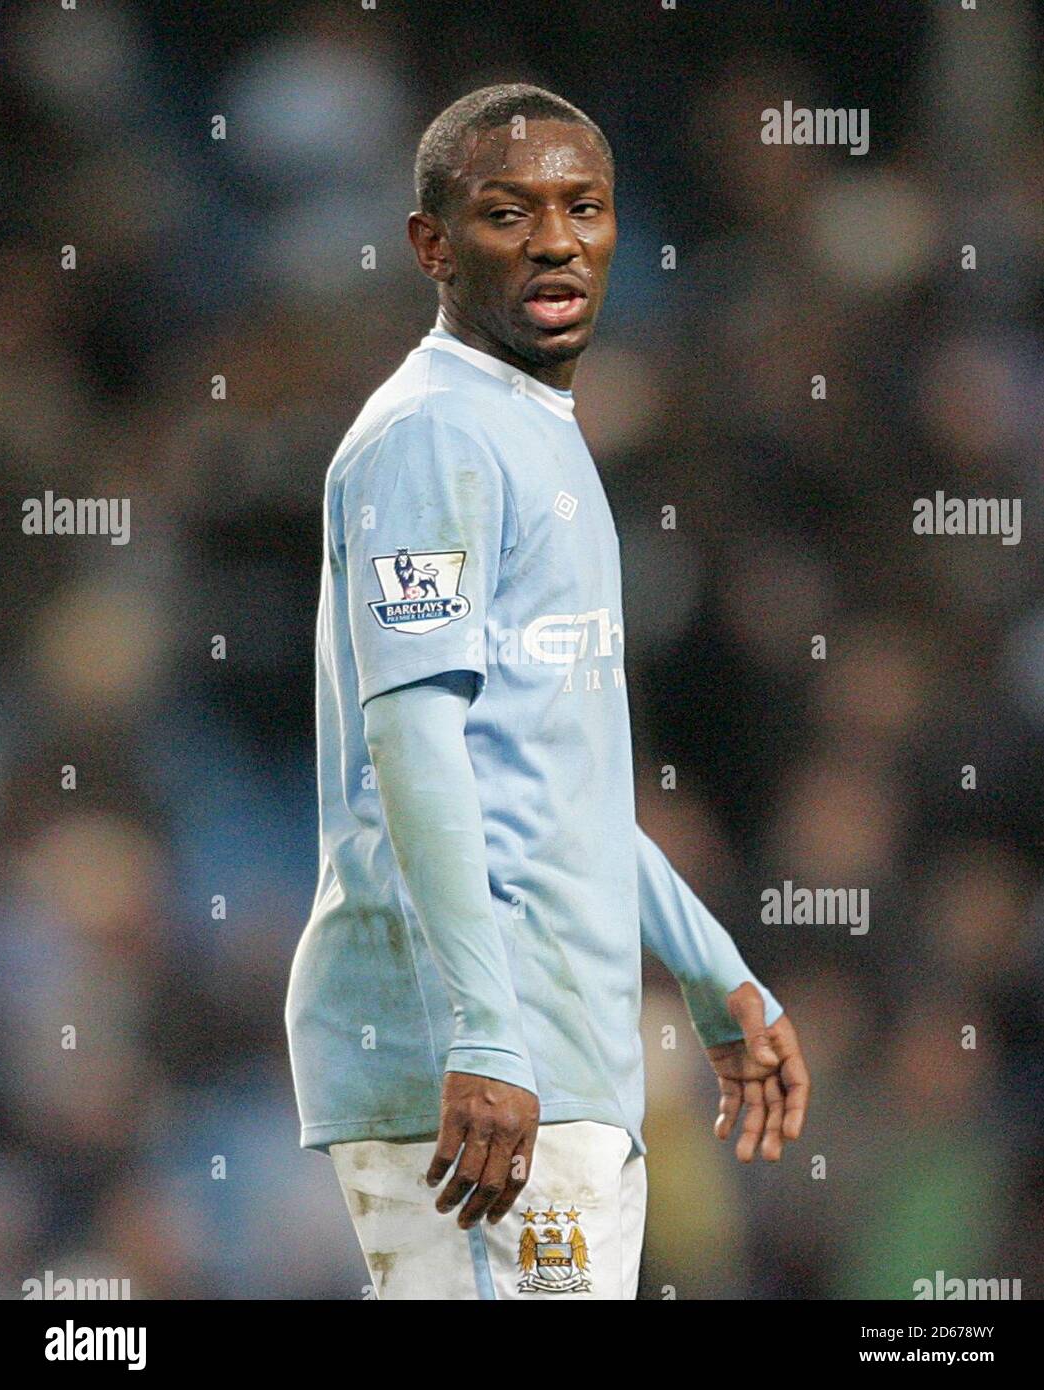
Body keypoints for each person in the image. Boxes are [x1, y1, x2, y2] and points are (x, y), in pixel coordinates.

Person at [285, 83, 809, 1301]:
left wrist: (707, 963)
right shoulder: (430, 437)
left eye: (584, 207)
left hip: (554, 1050)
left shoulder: (533, 428)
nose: (556, 239)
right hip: (469, 1053)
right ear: (431, 244)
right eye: (507, 212)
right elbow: (414, 745)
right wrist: (481, 1027)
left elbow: (548, 781)